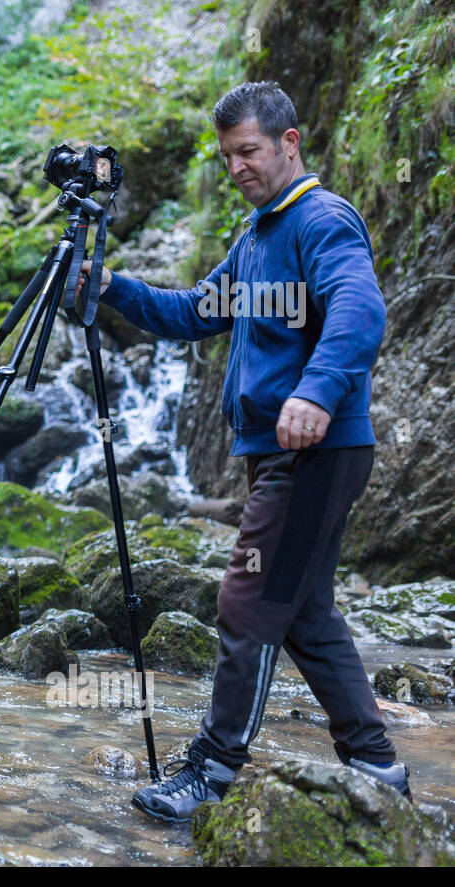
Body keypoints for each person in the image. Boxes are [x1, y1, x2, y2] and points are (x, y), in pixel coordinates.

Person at [78, 80, 408, 821]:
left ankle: (214, 772)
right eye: (227, 156)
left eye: (248, 152)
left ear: (289, 143)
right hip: (282, 452)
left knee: (247, 597)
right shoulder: (256, 237)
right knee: (304, 610)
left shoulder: (321, 220)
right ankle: (377, 767)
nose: (236, 167)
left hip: (316, 449)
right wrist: (109, 285)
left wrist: (317, 391)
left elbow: (360, 308)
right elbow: (193, 313)